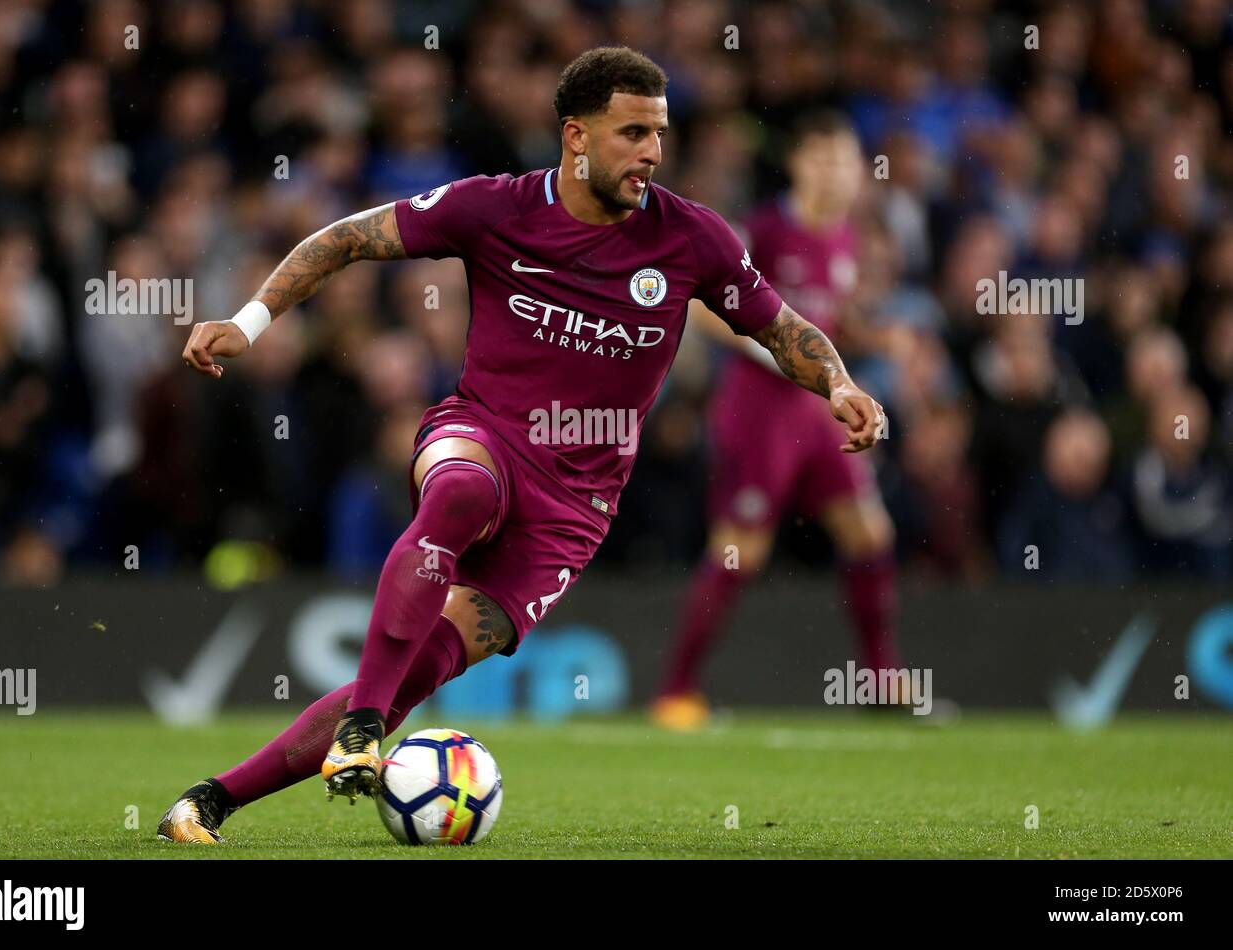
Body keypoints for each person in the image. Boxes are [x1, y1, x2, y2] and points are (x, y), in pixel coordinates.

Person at [158, 47, 885, 843]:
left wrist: (839, 384)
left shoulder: (692, 238)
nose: (651, 151)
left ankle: (207, 802)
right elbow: (346, 239)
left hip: (573, 508)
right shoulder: (493, 208)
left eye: (659, 133)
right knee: (461, 495)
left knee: (419, 671)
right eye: (632, 132)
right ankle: (362, 729)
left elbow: (781, 329)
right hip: (485, 435)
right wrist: (249, 321)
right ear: (576, 136)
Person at [652, 112, 903, 729]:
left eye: (844, 160)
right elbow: (698, 300)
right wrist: (769, 349)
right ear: (797, 164)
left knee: (869, 534)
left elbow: (827, 320)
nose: (835, 172)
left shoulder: (847, 237)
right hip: (758, 410)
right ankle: (676, 692)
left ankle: (881, 683)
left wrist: (875, 341)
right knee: (741, 551)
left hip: (814, 411)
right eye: (822, 158)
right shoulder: (762, 229)